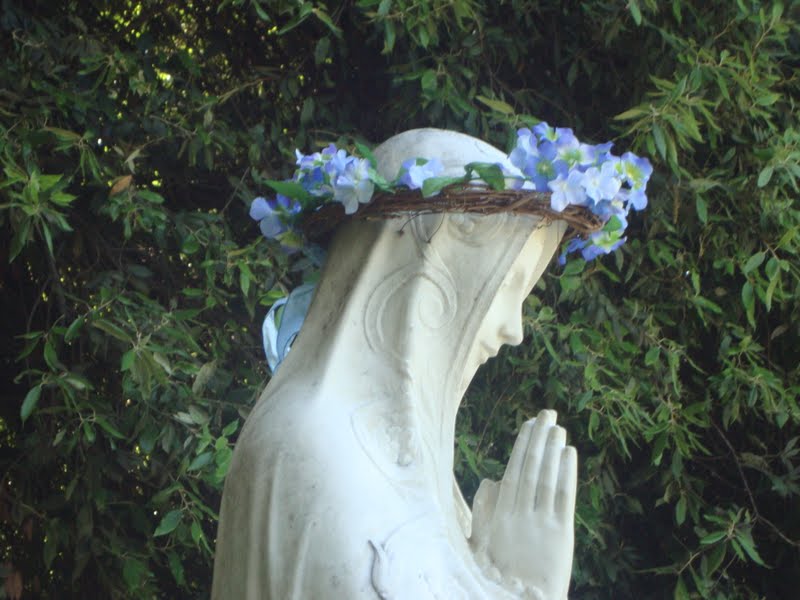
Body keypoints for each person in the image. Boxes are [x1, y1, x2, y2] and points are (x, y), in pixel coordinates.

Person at [211, 130, 577, 599]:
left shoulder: (405, 463)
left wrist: (498, 572)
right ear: (428, 273)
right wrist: (526, 587)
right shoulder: (315, 447)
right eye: (506, 287)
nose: (514, 328)